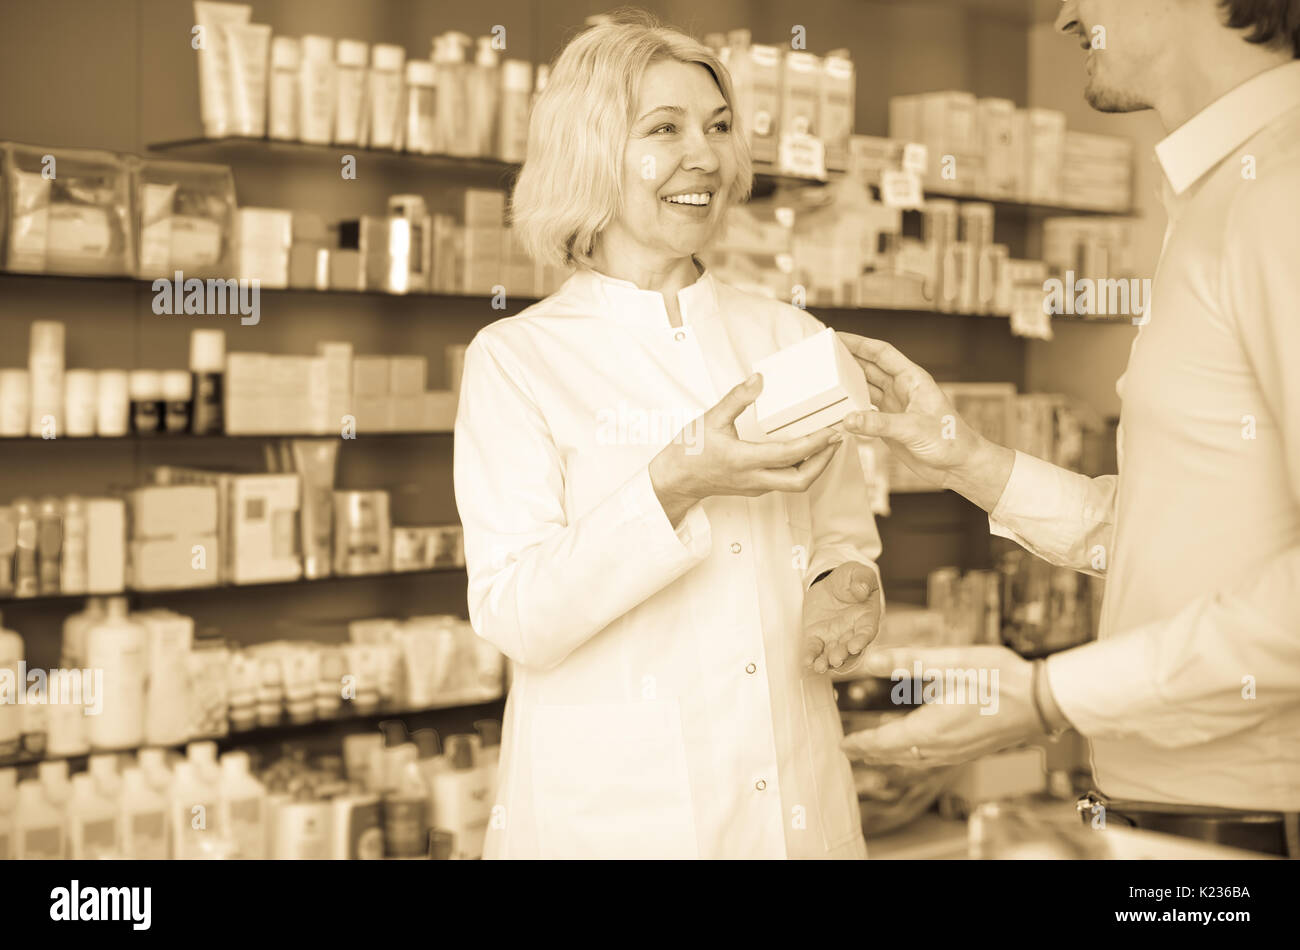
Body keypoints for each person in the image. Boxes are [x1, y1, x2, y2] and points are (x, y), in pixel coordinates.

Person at [838, 0, 1300, 855]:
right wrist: (965, 458)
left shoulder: (1281, 192)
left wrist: (1048, 695)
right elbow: (1187, 526)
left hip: (1248, 835)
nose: (1063, 13)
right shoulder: (1222, 192)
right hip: (1180, 823)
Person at [454, 14, 883, 859]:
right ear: (589, 153)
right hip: (621, 818)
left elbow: (842, 534)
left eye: (720, 128)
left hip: (797, 804)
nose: (708, 157)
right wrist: (676, 481)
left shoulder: (790, 337)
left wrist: (846, 579)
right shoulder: (518, 358)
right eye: (665, 129)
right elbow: (514, 614)